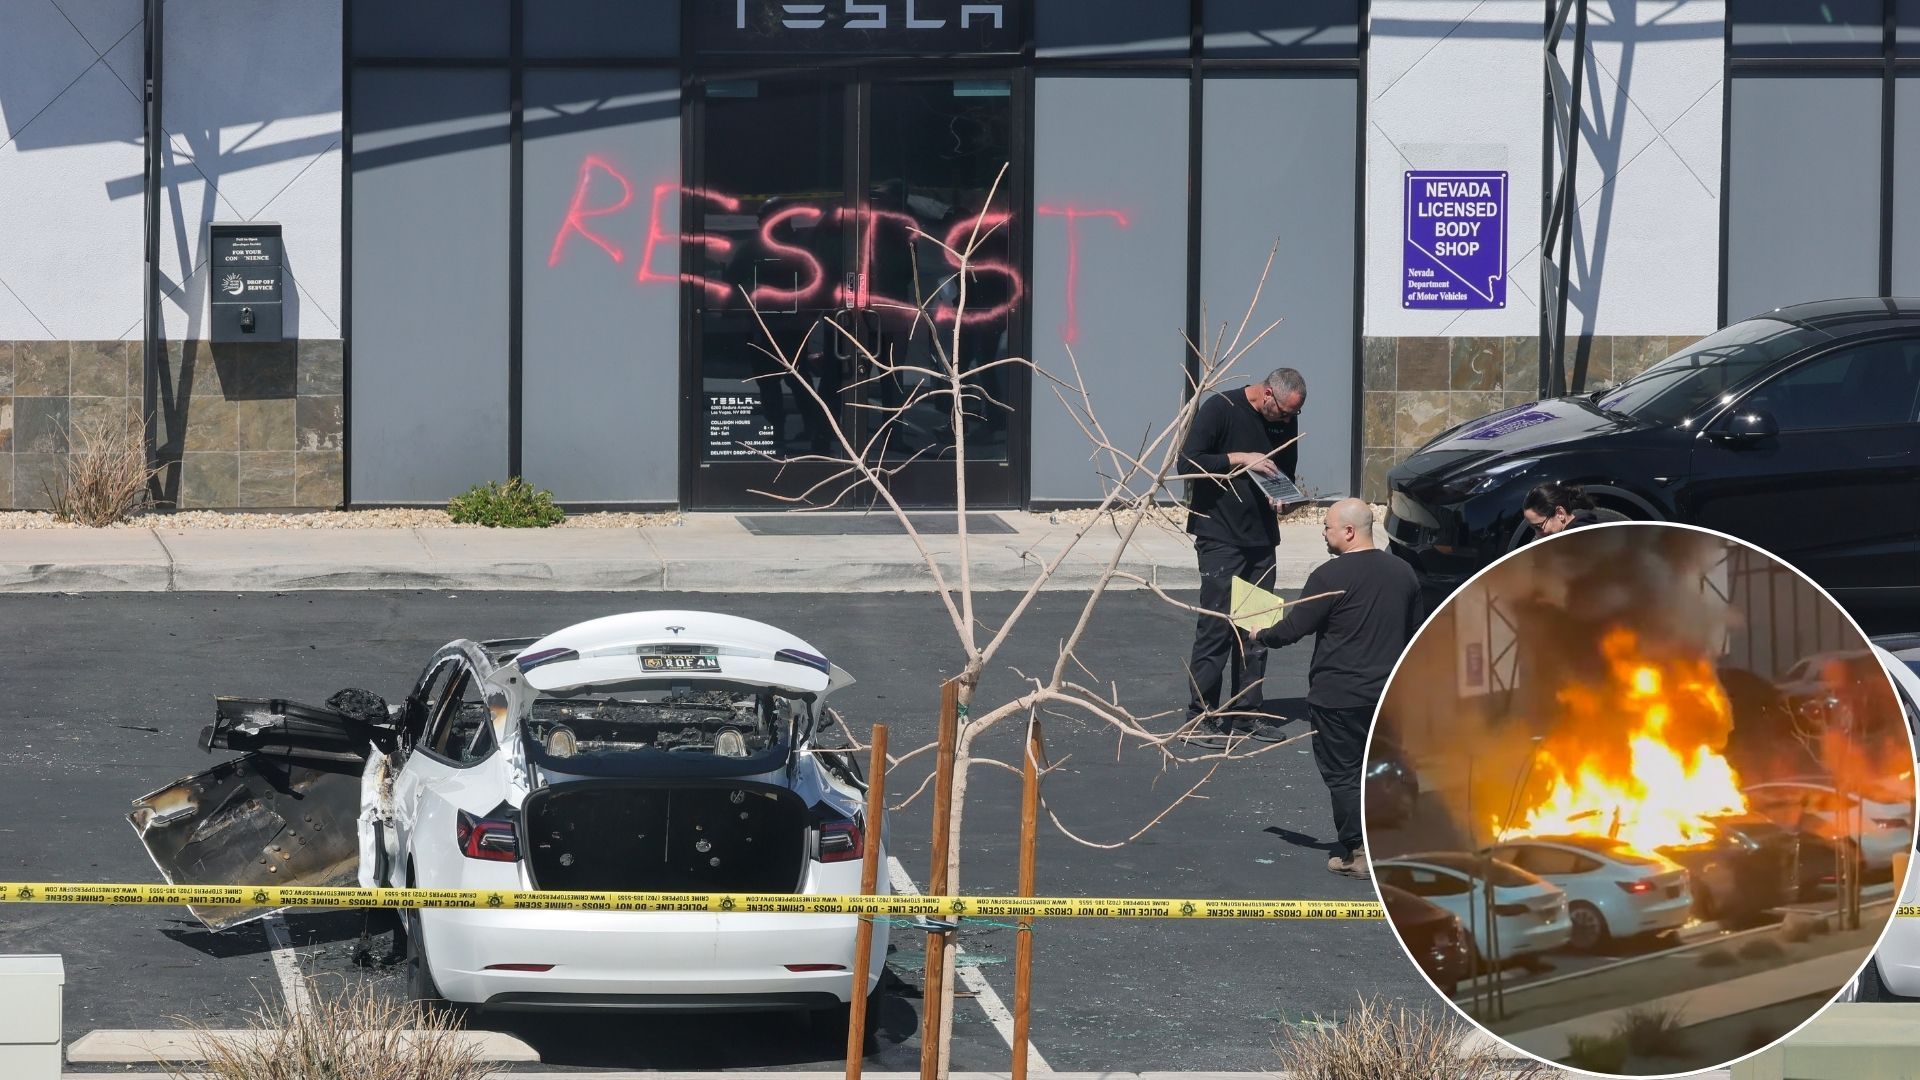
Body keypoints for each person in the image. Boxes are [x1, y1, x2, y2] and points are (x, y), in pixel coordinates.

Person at [1253, 498, 1421, 880]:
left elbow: (1293, 629)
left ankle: (1360, 851)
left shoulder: (1330, 576)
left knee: (1345, 773)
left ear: (1348, 531)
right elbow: (1415, 634)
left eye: (1327, 526)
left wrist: (1259, 632)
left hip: (1338, 695)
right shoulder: (1403, 572)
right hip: (1388, 696)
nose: (1323, 533)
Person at [1180, 368, 1306, 743]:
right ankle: (1199, 714)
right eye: (1282, 412)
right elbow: (1187, 464)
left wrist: (1285, 500)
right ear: (1267, 394)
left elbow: (1286, 474)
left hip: (1261, 538)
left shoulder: (1286, 421)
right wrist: (1240, 458)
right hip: (1219, 535)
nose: (1286, 421)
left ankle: (1247, 713)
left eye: (1293, 415)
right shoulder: (1221, 408)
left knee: (1256, 629)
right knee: (1217, 626)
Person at [1520, 482, 1629, 538]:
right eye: (1533, 528)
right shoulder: (1584, 530)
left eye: (1539, 526)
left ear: (1560, 513)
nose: (1538, 534)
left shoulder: (1578, 541)